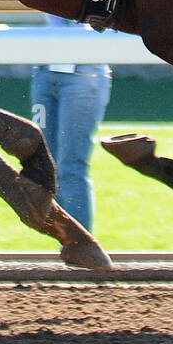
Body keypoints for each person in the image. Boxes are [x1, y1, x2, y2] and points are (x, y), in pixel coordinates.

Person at [29, 14, 113, 232]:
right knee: (48, 165)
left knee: (71, 166)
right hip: (45, 72)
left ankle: (80, 242)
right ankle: (64, 242)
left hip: (84, 73)